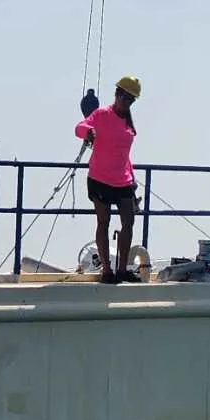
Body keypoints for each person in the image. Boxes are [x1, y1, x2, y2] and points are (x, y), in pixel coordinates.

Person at [74, 75, 142, 284]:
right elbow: (79, 127)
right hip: (100, 178)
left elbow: (124, 154)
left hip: (123, 180)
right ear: (116, 94)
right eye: (122, 95)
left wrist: (132, 177)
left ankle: (122, 270)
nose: (125, 100)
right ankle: (107, 270)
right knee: (103, 222)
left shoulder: (128, 121)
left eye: (130, 98)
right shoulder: (102, 113)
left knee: (128, 222)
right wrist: (89, 131)